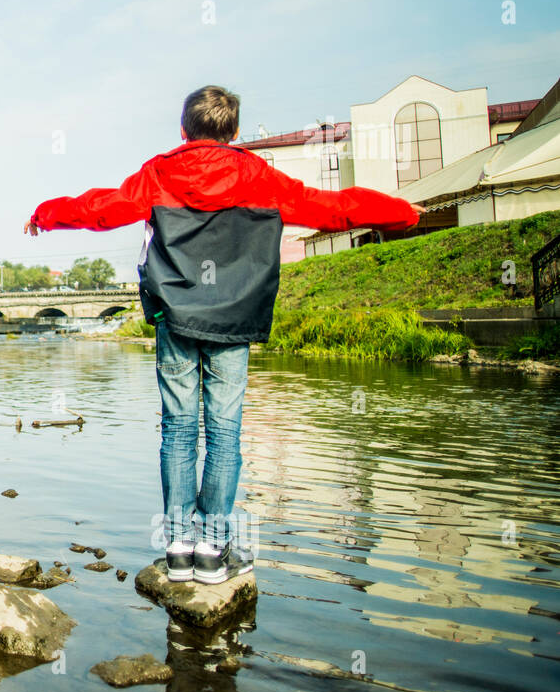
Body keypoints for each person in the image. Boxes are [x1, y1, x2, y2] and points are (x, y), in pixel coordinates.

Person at [25, 85, 423, 584]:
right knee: (224, 432)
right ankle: (212, 549)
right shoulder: (256, 174)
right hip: (233, 321)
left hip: (176, 316)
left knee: (177, 430)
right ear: (234, 132)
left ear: (184, 130)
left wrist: (46, 213)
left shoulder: (160, 172)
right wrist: (401, 211)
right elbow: (331, 208)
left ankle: (177, 547)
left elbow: (102, 209)